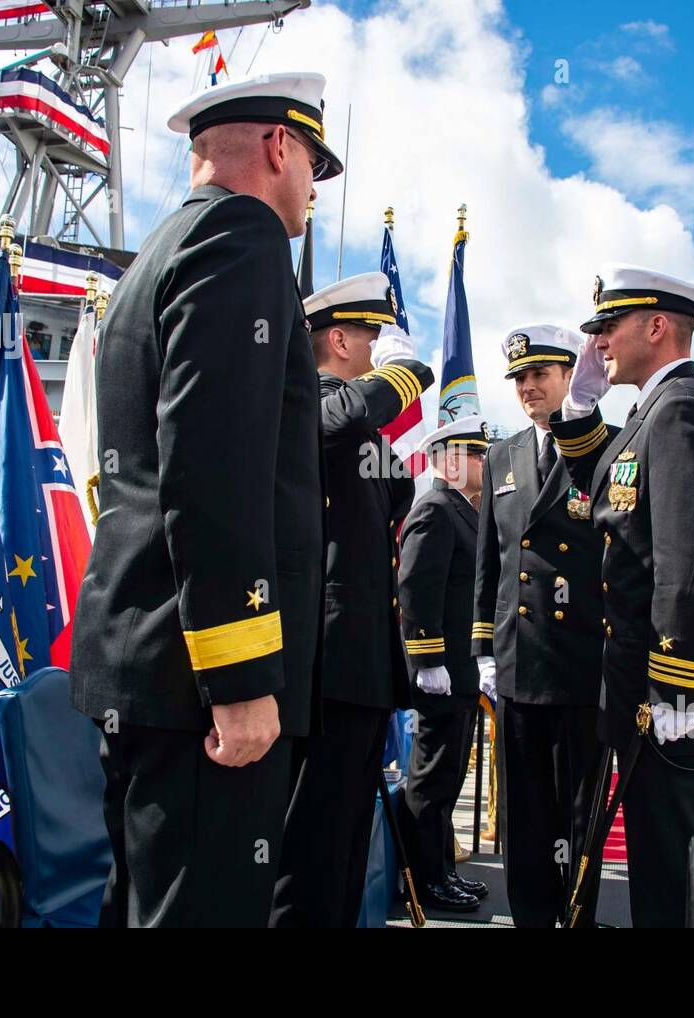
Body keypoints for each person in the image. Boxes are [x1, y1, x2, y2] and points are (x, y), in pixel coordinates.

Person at [70, 72, 343, 927]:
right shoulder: (243, 238)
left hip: (139, 661)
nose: (311, 194)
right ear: (277, 147)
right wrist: (238, 678)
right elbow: (213, 474)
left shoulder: (156, 254)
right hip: (201, 691)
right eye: (313, 167)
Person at [549, 265, 694, 928]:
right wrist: (577, 411)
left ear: (657, 327)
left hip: (669, 691)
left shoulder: (684, 409)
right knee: (653, 871)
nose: (599, 342)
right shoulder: (650, 412)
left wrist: (679, 687)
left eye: (610, 327)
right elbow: (608, 489)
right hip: (641, 687)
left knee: (671, 869)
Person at [270, 275, 434, 927]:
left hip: (359, 674)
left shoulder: (356, 429)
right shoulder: (310, 402)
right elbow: (335, 419)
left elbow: (396, 493)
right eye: (370, 336)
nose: (377, 348)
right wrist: (405, 377)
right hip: (325, 674)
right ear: (338, 339)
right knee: (308, 857)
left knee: (343, 854)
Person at [471, 324, 613, 928]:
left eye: (540, 375)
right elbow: (489, 564)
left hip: (582, 662)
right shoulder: (500, 456)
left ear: (568, 377)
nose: (529, 387)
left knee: (580, 812)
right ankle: (531, 918)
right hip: (520, 661)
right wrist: (484, 650)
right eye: (520, 379)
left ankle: (576, 917)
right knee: (525, 815)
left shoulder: (606, 448)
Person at [397, 416, 492, 911]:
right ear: (450, 461)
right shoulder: (434, 508)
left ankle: (442, 868)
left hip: (460, 670)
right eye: (475, 454)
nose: (483, 461)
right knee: (432, 777)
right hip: (439, 672)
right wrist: (427, 659)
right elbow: (415, 587)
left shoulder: (464, 510)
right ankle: (424, 877)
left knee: (450, 775)